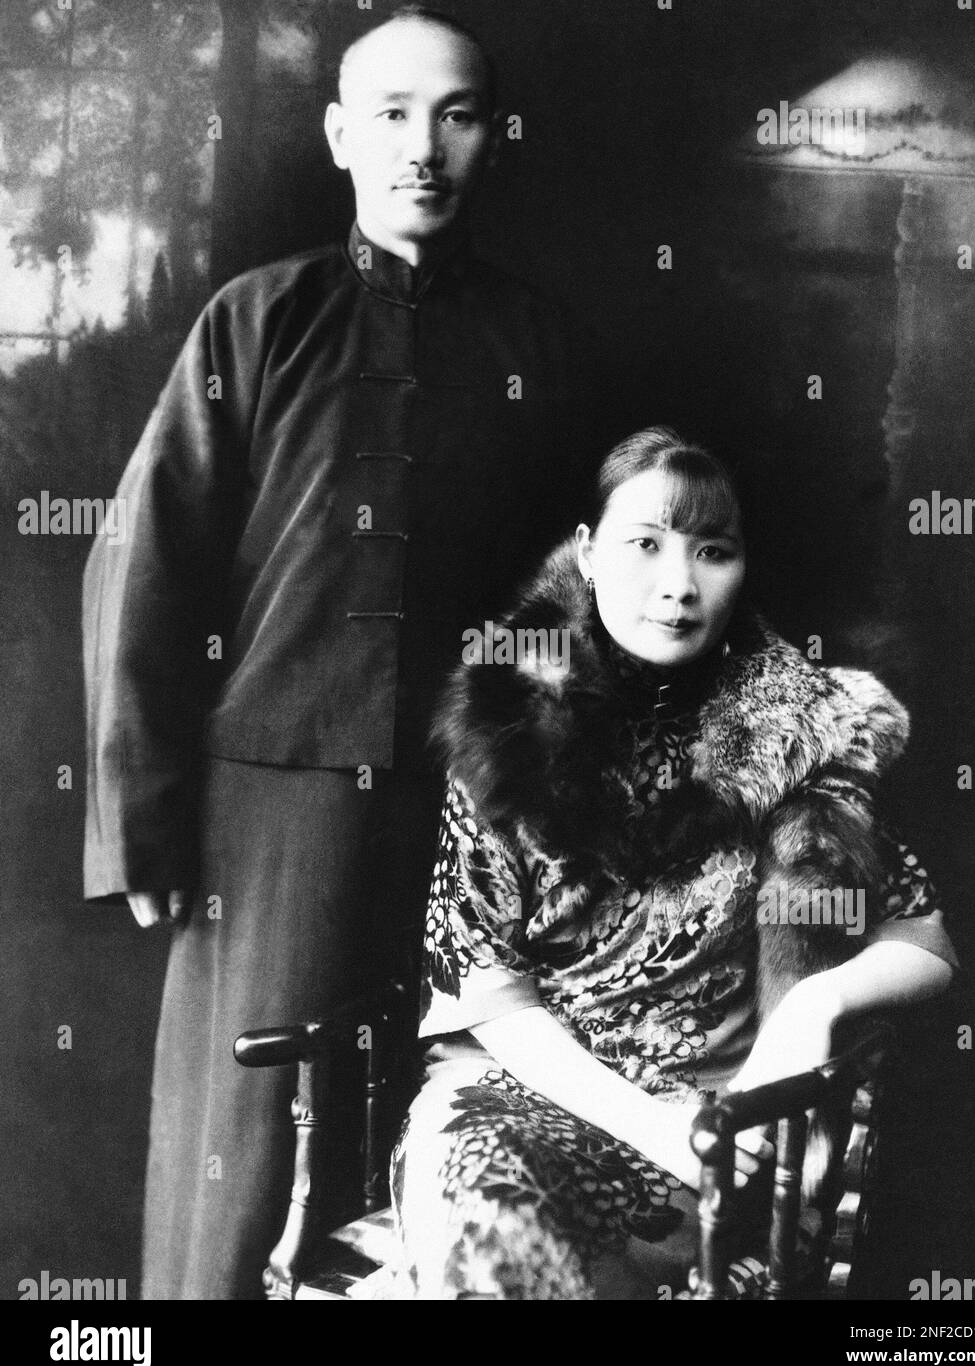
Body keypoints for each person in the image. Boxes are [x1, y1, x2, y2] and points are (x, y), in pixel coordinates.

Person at [82, 6, 589, 1299]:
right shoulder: (256, 320)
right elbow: (140, 574)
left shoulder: (536, 344)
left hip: (476, 814)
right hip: (270, 820)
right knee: (244, 1162)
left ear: (490, 137)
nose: (422, 147)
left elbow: (571, 599)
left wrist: (547, 805)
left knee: (441, 1149)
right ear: (337, 135)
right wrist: (143, 826)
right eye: (391, 114)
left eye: (456, 114)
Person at [389, 426, 958, 1300]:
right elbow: (485, 983)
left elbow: (926, 943)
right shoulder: (508, 725)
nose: (677, 585)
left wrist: (813, 1001)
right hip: (537, 1094)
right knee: (481, 1209)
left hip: (734, 1122)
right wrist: (657, 1132)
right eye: (644, 544)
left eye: (712, 552)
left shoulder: (803, 730)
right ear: (585, 553)